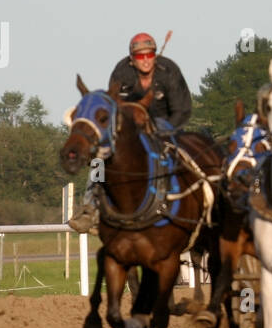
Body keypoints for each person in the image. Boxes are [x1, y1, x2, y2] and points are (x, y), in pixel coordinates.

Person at [67, 32, 193, 232]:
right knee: (101, 157)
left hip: (164, 125)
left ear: (155, 55)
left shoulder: (169, 71)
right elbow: (111, 106)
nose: (145, 60)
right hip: (129, 126)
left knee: (183, 154)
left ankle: (196, 199)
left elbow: (182, 109)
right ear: (132, 60)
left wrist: (163, 130)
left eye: (149, 55)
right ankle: (91, 206)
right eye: (140, 57)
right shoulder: (121, 72)